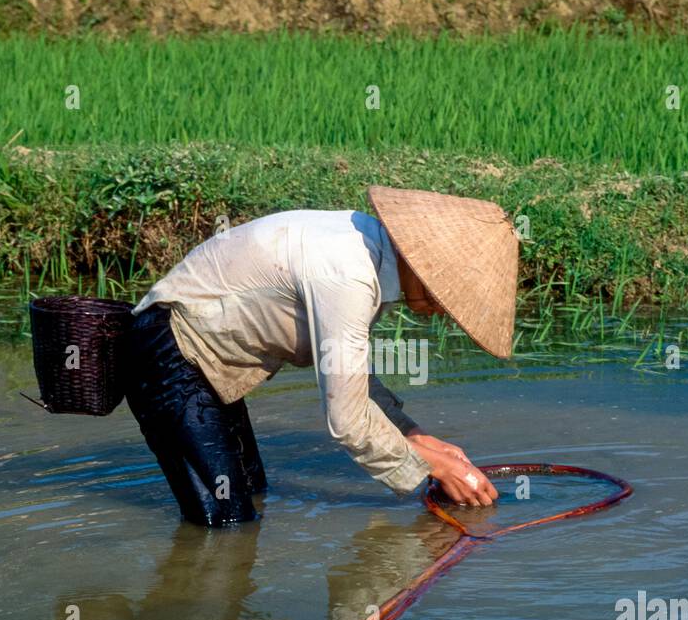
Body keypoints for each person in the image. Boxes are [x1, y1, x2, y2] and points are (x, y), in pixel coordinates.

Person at [123, 186, 518, 526]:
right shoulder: (349, 276)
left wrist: (416, 436)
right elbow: (347, 421)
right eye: (446, 298)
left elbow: (348, 370)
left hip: (201, 361)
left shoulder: (366, 245)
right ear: (423, 265)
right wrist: (433, 465)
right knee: (225, 524)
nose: (442, 312)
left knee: (251, 494)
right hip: (169, 355)